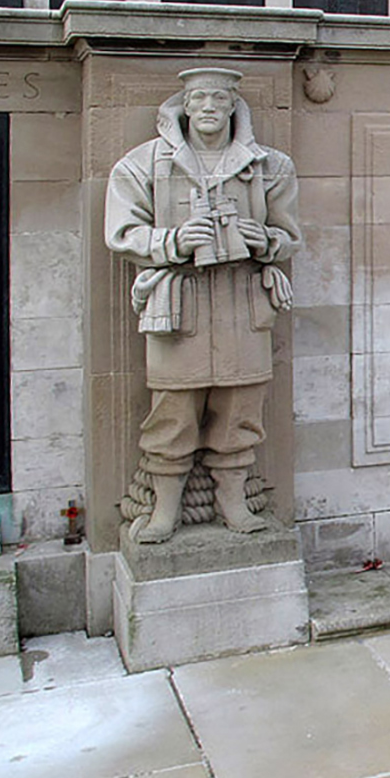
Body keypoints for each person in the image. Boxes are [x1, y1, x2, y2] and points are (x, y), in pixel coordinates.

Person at [106, 67, 302, 541]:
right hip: (179, 307)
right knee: (172, 412)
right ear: (185, 105)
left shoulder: (269, 165)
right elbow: (121, 233)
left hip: (242, 304)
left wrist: (265, 239)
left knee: (241, 410)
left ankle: (234, 503)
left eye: (219, 98)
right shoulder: (143, 162)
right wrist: (173, 240)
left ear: (234, 106)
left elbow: (291, 236)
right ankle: (164, 510)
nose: (209, 107)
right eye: (200, 99)